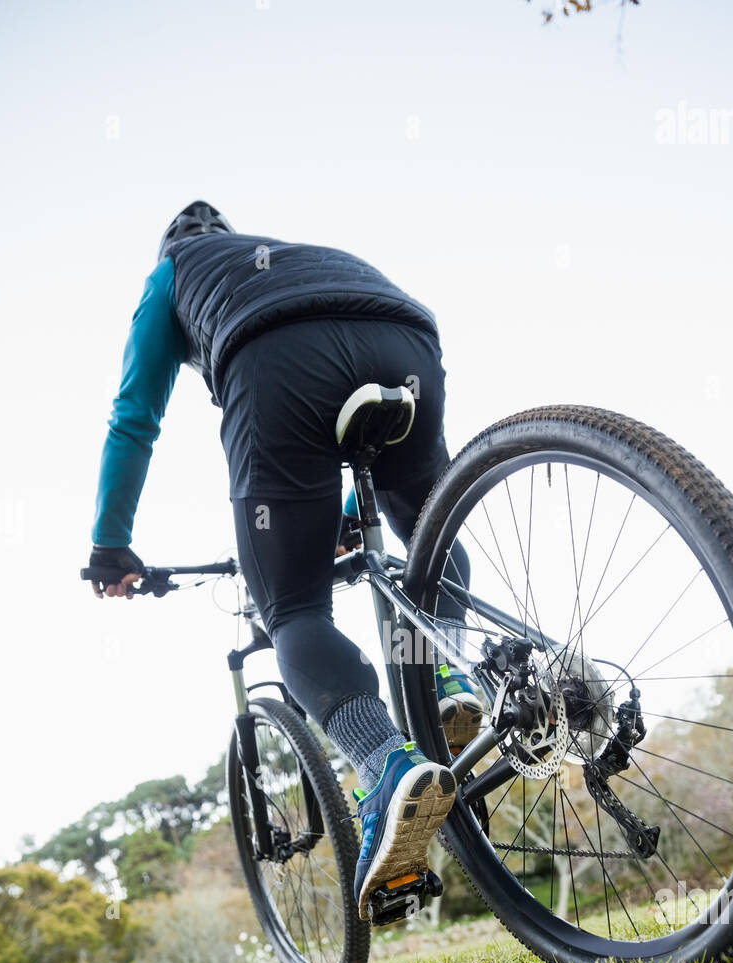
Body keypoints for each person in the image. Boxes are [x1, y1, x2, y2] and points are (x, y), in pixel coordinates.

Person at [87, 201, 482, 918]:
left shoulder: (172, 272)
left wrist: (110, 543)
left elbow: (134, 416)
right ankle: (446, 669)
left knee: (294, 609)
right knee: (429, 535)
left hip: (278, 359)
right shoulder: (285, 253)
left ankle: (387, 766)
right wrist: (346, 514)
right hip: (406, 340)